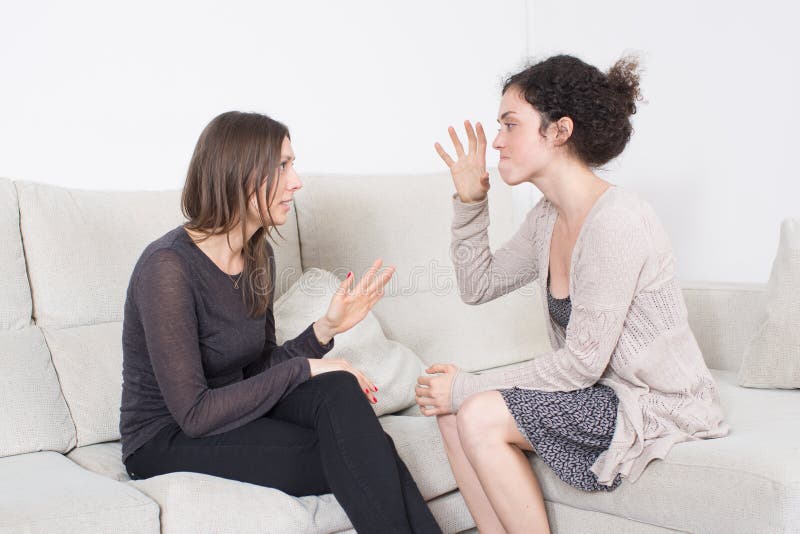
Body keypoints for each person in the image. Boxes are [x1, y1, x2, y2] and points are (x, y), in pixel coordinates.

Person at [418, 55, 729, 533]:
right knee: (452, 414)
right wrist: (471, 202)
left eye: (510, 125)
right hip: (597, 393)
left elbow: (581, 363)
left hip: (654, 401)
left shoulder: (616, 221)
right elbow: (478, 285)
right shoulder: (547, 216)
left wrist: (465, 386)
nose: (497, 141)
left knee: (474, 410)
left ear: (559, 131)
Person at [120, 111, 442, 534]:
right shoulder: (167, 268)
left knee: (341, 396)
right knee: (356, 450)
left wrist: (326, 329)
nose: (296, 181)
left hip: (232, 409)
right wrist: (307, 366)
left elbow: (258, 369)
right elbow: (194, 414)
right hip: (166, 437)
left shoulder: (258, 255)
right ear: (238, 175)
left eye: (292, 164)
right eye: (282, 166)